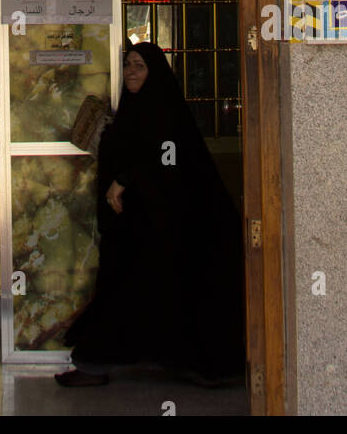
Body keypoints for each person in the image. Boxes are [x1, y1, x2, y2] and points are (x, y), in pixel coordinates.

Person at [55, 40, 246, 388]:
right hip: (136, 226)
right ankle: (94, 364)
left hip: (166, 226)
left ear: (155, 72)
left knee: (158, 292)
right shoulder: (134, 111)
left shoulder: (165, 112)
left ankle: (188, 364)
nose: (131, 71)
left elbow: (167, 157)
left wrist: (124, 181)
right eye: (128, 64)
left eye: (140, 66)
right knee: (127, 291)